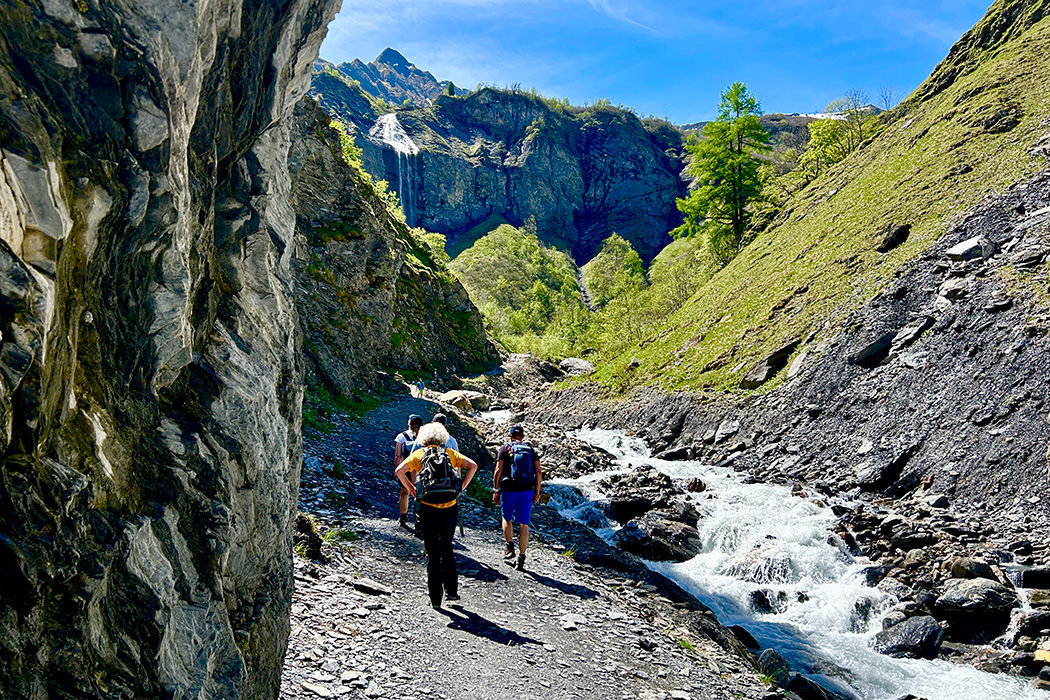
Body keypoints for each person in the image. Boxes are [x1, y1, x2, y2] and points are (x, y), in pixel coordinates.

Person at [395, 422, 479, 608]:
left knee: (432, 552)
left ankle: (435, 599)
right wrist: (461, 488)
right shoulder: (449, 453)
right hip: (449, 507)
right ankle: (452, 592)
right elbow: (473, 466)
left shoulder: (419, 454)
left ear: (423, 438)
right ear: (443, 438)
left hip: (427, 508)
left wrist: (411, 489)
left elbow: (399, 471)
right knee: (447, 547)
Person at [492, 425, 542, 570]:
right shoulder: (530, 450)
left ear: (511, 435)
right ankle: (521, 557)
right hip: (527, 490)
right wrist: (537, 491)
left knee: (507, 518)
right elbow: (538, 471)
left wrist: (496, 490)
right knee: (524, 525)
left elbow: (498, 470)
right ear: (523, 436)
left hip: (509, 488)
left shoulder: (504, 448)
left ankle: (509, 547)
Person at [394, 414, 423, 529]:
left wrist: (398, 470)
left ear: (409, 424)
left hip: (406, 468)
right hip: (421, 469)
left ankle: (403, 517)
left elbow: (398, 455)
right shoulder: (425, 437)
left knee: (404, 492)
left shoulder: (402, 436)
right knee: (420, 495)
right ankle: (419, 521)